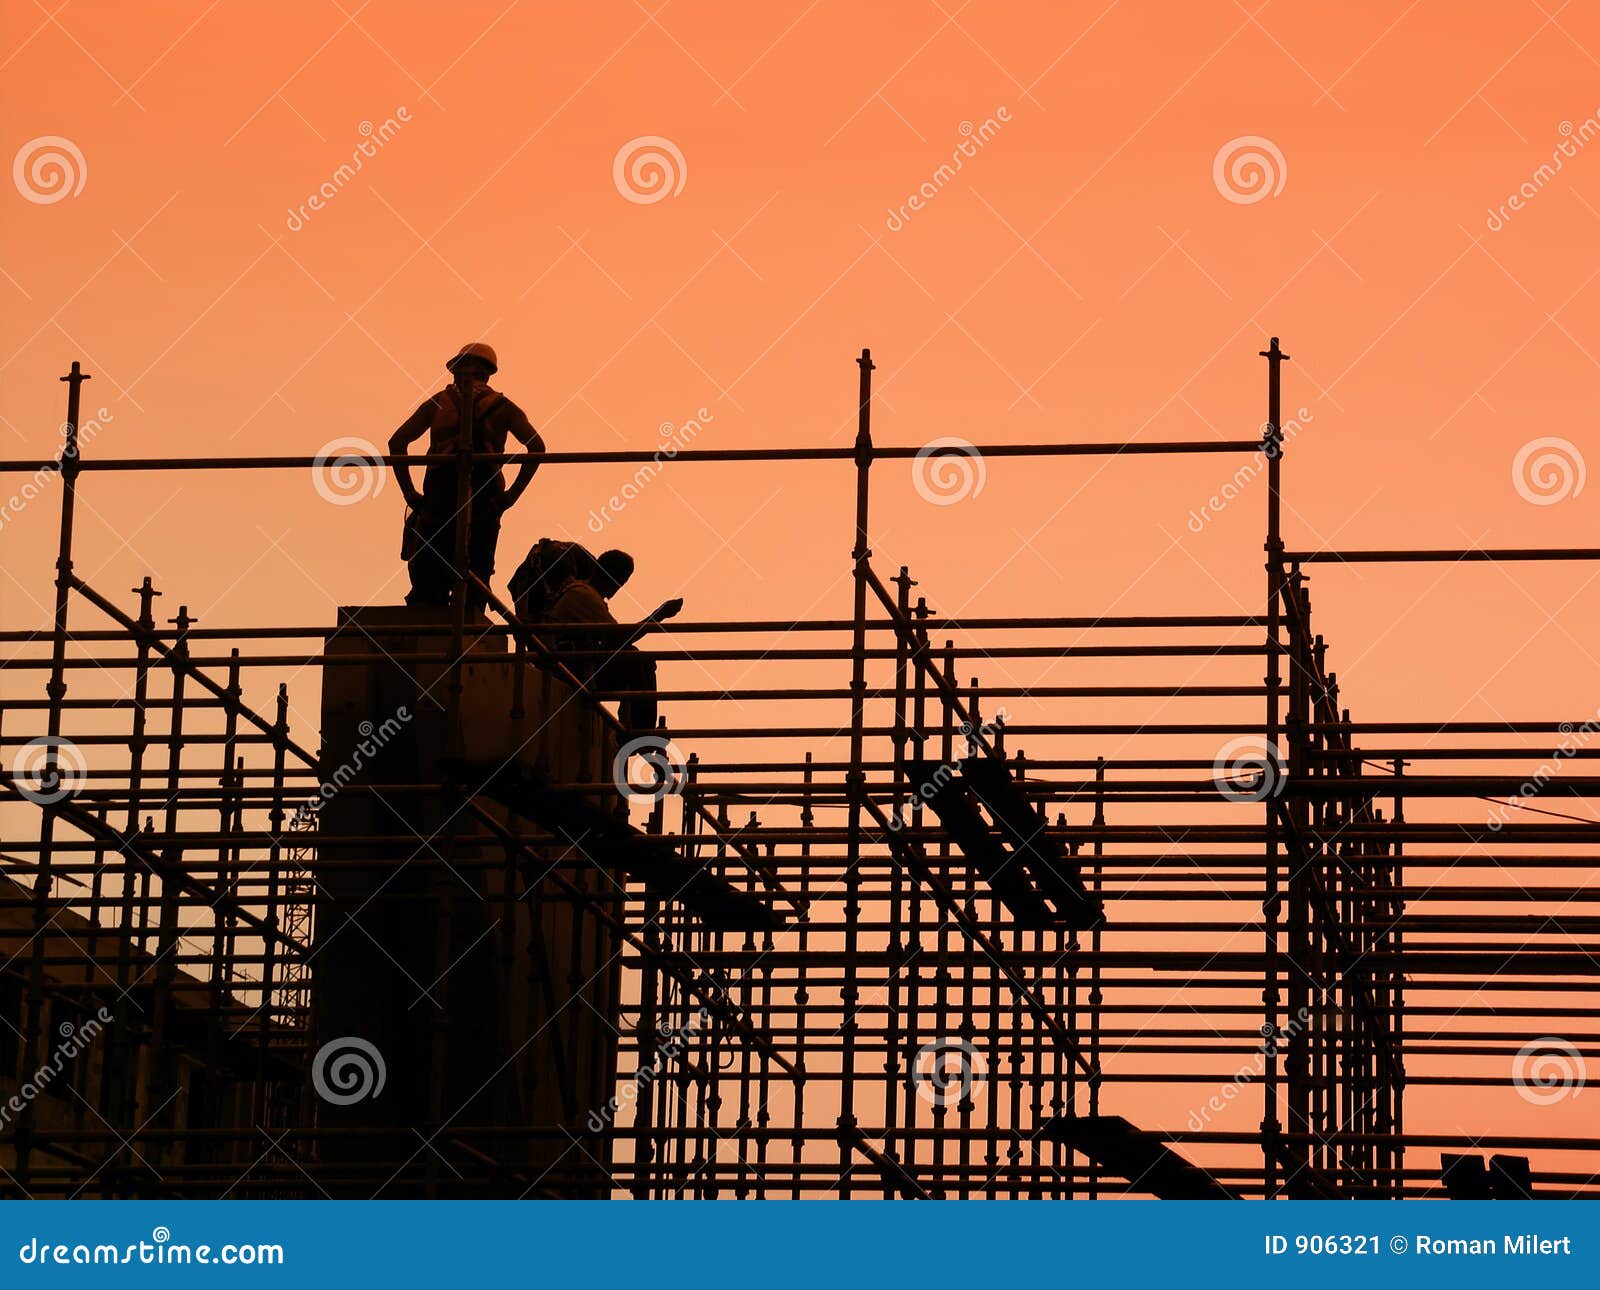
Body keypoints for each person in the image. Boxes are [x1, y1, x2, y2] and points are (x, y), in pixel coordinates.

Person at [389, 342, 544, 610]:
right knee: (475, 576)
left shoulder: (438, 403)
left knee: (430, 578)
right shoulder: (504, 408)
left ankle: (436, 624)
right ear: (488, 373)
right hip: (483, 498)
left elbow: (397, 442)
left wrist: (410, 492)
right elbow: (537, 447)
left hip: (441, 498)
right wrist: (510, 496)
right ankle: (467, 622)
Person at [508, 542, 681, 733]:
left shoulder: (584, 594)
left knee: (635, 658)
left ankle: (636, 730)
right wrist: (658, 616)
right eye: (620, 580)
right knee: (636, 659)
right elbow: (619, 638)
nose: (618, 587)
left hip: (576, 664)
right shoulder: (582, 594)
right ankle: (640, 733)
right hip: (570, 668)